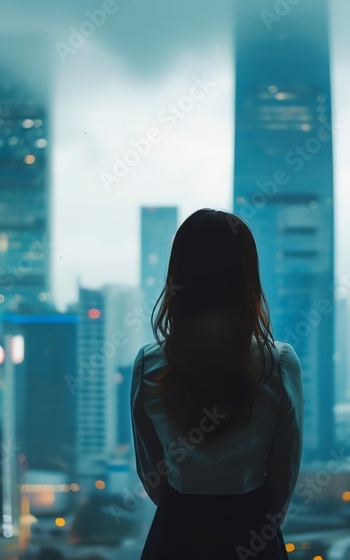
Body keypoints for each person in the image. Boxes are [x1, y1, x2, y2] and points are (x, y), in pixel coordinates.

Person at [131, 208, 304, 559]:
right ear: (247, 276)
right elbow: (283, 478)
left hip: (175, 533)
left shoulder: (149, 364)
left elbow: (150, 473)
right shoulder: (278, 363)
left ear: (177, 275)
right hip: (253, 530)